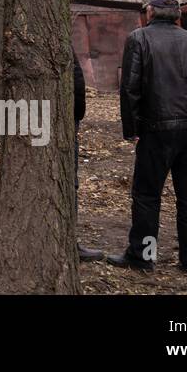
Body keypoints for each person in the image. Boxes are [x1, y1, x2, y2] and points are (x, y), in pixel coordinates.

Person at [108, 0, 187, 275]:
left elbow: (130, 89)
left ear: (150, 13)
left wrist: (132, 130)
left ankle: (143, 257)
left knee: (147, 196)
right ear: (179, 15)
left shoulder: (139, 38)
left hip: (157, 131)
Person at [73, 51, 104, 262]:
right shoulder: (58, 38)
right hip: (60, 121)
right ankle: (67, 239)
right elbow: (77, 82)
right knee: (67, 182)